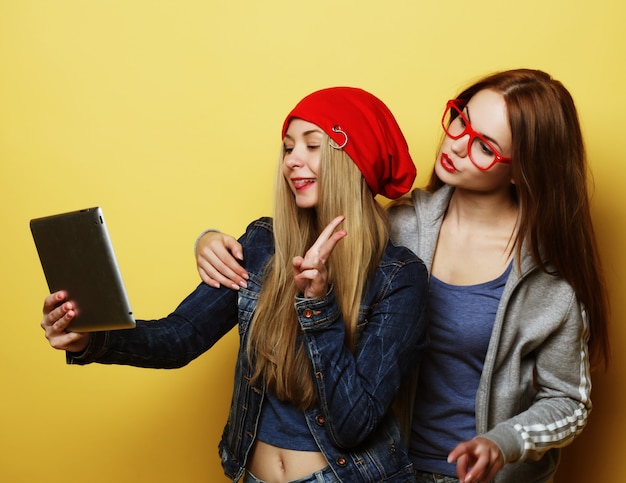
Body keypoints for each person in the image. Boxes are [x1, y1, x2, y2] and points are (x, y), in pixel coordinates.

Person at [193, 69, 611, 483]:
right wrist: (211, 241)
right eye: (461, 119)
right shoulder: (397, 228)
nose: (458, 143)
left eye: (484, 146)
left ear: (524, 170)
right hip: (383, 469)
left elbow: (568, 402)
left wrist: (504, 442)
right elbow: (296, 253)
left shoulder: (547, 280)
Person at [41, 87, 430, 482]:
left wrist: (318, 307)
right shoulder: (262, 245)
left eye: (313, 146)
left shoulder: (398, 277)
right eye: (287, 148)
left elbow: (353, 424)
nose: (292, 162)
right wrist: (91, 337)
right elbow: (180, 337)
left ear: (354, 161)